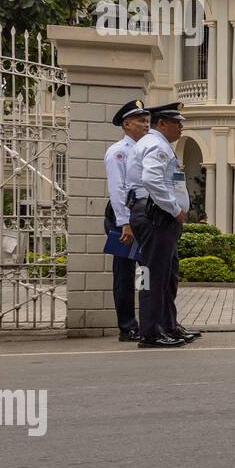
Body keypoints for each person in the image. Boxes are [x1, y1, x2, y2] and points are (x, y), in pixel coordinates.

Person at [126, 103, 201, 348]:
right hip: (155, 215)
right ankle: (151, 332)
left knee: (167, 275)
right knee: (152, 275)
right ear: (161, 124)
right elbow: (151, 179)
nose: (181, 127)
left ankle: (168, 326)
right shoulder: (155, 144)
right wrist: (174, 208)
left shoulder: (159, 145)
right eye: (176, 122)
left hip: (158, 216)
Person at [104, 100, 150, 341]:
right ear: (126, 124)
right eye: (141, 120)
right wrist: (125, 222)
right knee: (124, 272)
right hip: (124, 216)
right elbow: (117, 190)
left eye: (147, 120)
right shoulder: (118, 152)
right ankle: (128, 326)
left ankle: (148, 321)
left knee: (146, 270)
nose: (146, 124)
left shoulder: (145, 149)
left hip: (142, 215)